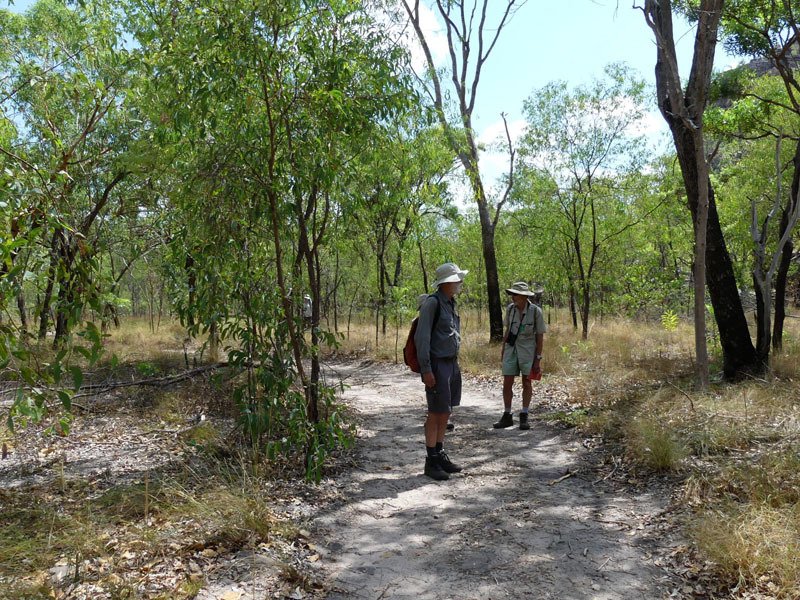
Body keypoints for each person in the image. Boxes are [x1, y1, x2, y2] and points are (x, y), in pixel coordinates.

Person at [415, 262, 468, 480]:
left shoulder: (450, 303)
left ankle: (440, 452)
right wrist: (426, 369)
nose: (459, 282)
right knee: (435, 412)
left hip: (451, 364)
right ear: (446, 282)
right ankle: (431, 461)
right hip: (437, 364)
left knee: (446, 411)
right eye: (456, 279)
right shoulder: (432, 304)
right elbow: (422, 338)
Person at [493, 281, 547, 430]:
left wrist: (538, 358)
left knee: (527, 383)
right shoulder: (510, 310)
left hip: (528, 351)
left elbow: (540, 337)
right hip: (512, 349)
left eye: (515, 294)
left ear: (523, 296)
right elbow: (508, 331)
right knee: (507, 382)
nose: (512, 297)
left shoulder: (535, 312)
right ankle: (507, 414)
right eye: (512, 294)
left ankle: (524, 414)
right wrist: (503, 348)